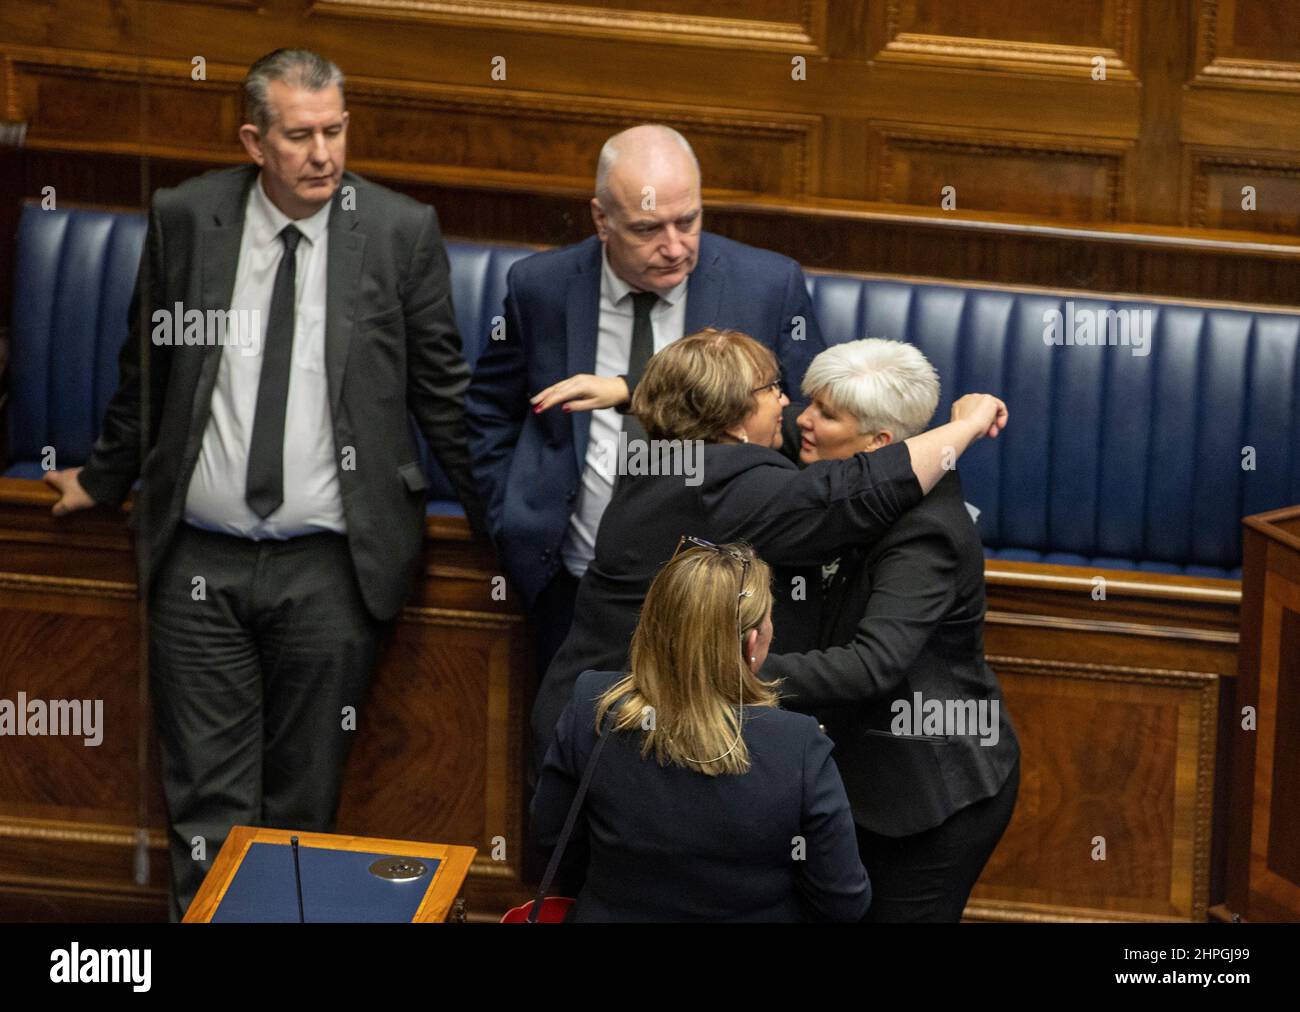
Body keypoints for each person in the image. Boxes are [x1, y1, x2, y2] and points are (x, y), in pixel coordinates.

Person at [42, 49, 483, 920]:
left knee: (300, 812)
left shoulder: (397, 232)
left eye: (336, 130)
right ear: (254, 139)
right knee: (205, 814)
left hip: (333, 566)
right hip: (196, 563)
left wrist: (507, 521)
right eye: (299, 136)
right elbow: (148, 369)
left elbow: (444, 397)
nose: (323, 154)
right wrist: (104, 475)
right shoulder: (186, 217)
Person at [530, 327, 1008, 776]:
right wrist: (965, 427)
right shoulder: (729, 489)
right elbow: (859, 487)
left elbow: (793, 426)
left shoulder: (680, 456)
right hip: (612, 740)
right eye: (773, 388)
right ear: (738, 417)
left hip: (603, 716)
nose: (788, 403)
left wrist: (629, 388)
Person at [466, 124, 826, 682]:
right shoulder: (540, 286)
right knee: (569, 751)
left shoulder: (766, 286)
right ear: (601, 219)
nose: (676, 246)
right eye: (648, 229)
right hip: (573, 582)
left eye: (689, 221)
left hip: (717, 590)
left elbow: (804, 419)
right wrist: (511, 518)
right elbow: (489, 412)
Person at [763, 338, 1021, 922]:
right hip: (853, 779)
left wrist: (735, 670)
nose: (801, 420)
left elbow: (872, 664)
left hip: (926, 798)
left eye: (826, 414)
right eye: (808, 401)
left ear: (881, 445)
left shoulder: (924, 534)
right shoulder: (838, 476)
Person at [531, 541, 870, 921]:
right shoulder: (798, 746)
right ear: (753, 643)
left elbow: (551, 837)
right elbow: (843, 901)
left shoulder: (594, 706)